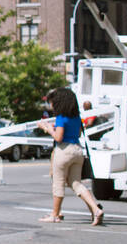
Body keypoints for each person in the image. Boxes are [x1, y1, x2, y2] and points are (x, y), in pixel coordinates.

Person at [35, 86, 104, 225]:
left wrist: (47, 128)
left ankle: (55, 214)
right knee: (76, 183)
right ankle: (96, 209)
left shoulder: (61, 117)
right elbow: (78, 134)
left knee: (58, 183)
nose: (52, 105)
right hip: (77, 151)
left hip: (64, 151)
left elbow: (58, 137)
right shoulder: (76, 117)